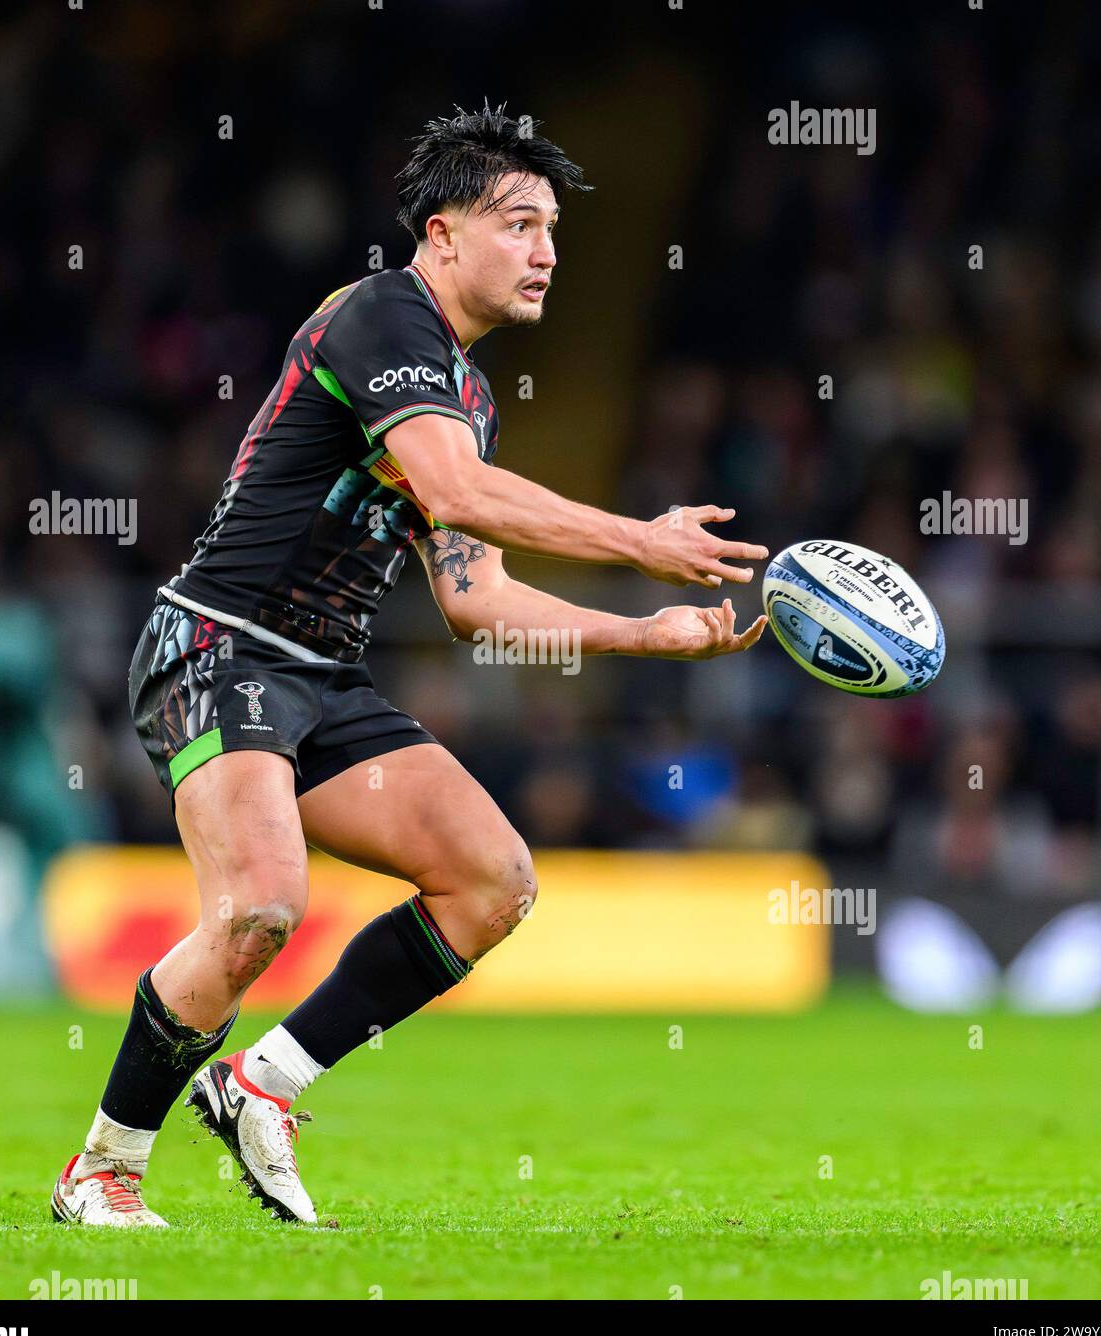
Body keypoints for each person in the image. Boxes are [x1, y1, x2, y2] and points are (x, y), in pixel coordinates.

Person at [51, 100, 769, 1227]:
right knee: (258, 912)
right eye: (520, 223)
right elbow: (454, 493)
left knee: (494, 880)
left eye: (555, 234)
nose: (546, 253)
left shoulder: (465, 391)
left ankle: (262, 1086)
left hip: (324, 677)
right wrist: (645, 541)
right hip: (221, 644)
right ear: (440, 234)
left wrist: (641, 628)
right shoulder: (381, 316)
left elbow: (474, 597)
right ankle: (101, 1169)